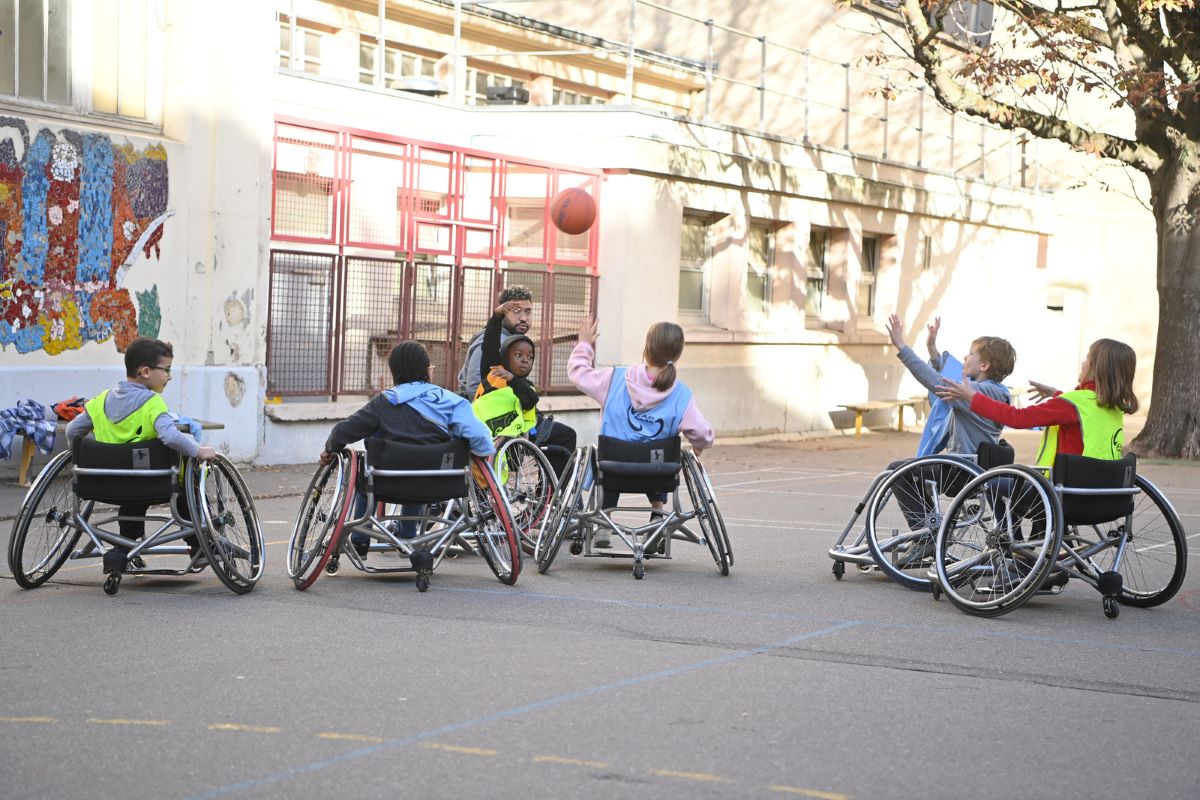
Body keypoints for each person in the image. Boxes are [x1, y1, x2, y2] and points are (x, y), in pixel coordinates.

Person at [936, 338, 1138, 593]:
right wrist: (1055, 395)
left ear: (1097, 367)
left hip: (1062, 498)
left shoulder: (1072, 404)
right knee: (1033, 483)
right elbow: (1083, 417)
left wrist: (974, 398)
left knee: (995, 481)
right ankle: (1038, 558)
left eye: (1088, 357)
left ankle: (1018, 556)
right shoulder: (1112, 408)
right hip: (1106, 499)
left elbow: (1017, 418)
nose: (1083, 361)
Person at [321, 341, 495, 558]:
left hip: (387, 483)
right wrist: (478, 453)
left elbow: (342, 432)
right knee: (422, 468)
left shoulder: (383, 403)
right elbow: (481, 438)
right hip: (441, 483)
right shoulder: (450, 400)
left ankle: (360, 539)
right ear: (426, 370)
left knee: (365, 470)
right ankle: (407, 534)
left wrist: (330, 450)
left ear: (394, 372)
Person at [65, 337, 216, 568]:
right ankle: (199, 544)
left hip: (103, 484)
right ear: (145, 371)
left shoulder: (100, 401)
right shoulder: (152, 402)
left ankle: (124, 545)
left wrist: (86, 458)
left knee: (131, 492)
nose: (169, 376)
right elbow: (170, 436)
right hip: (152, 483)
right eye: (166, 370)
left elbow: (73, 430)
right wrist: (197, 451)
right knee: (189, 486)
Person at [568, 319, 714, 548]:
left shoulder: (615, 379)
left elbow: (579, 374)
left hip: (613, 465)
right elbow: (702, 433)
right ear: (677, 356)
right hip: (657, 471)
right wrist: (699, 445)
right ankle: (657, 516)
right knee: (657, 455)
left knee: (606, 460)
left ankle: (605, 522)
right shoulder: (681, 395)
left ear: (646, 349)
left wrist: (585, 345)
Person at [884, 314, 1016, 566]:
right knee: (914, 469)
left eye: (970, 355)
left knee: (896, 471)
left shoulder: (981, 392)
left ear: (985, 365)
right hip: (972, 468)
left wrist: (902, 347)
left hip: (962, 471)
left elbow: (938, 384)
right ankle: (930, 531)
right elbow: (943, 385)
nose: (965, 358)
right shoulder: (994, 391)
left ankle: (927, 535)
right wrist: (933, 351)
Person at [456, 285, 576, 475]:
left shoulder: (515, 341)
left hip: (516, 413)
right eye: (517, 311)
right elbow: (475, 387)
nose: (523, 317)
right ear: (503, 312)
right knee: (565, 437)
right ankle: (551, 500)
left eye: (528, 312)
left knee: (561, 435)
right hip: (498, 419)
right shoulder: (490, 343)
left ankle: (544, 498)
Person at [472, 300, 540, 441]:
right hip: (488, 432)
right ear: (505, 356)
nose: (525, 360)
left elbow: (531, 400)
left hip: (517, 438)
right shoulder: (495, 372)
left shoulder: (527, 386)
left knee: (566, 435)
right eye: (518, 355)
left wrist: (512, 379)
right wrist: (497, 316)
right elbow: (490, 343)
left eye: (530, 357)